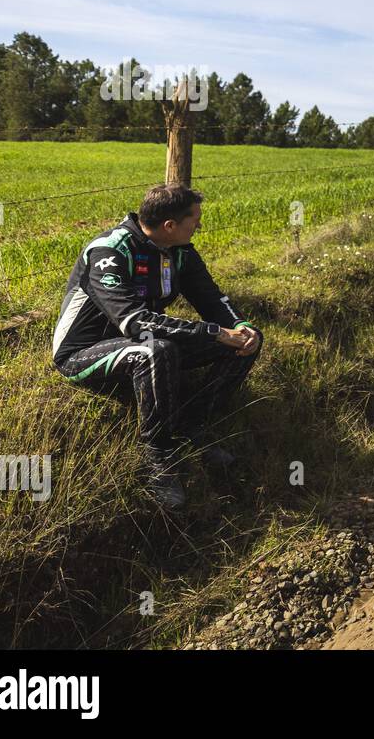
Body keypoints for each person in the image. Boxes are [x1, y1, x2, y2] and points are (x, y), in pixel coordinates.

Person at [52, 183, 262, 507]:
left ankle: (192, 427)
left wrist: (241, 327)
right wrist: (212, 331)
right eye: (195, 220)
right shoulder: (109, 251)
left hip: (140, 341)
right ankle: (159, 458)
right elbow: (134, 322)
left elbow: (211, 298)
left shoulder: (180, 252)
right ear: (170, 226)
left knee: (243, 343)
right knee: (156, 351)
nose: (199, 226)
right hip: (83, 352)